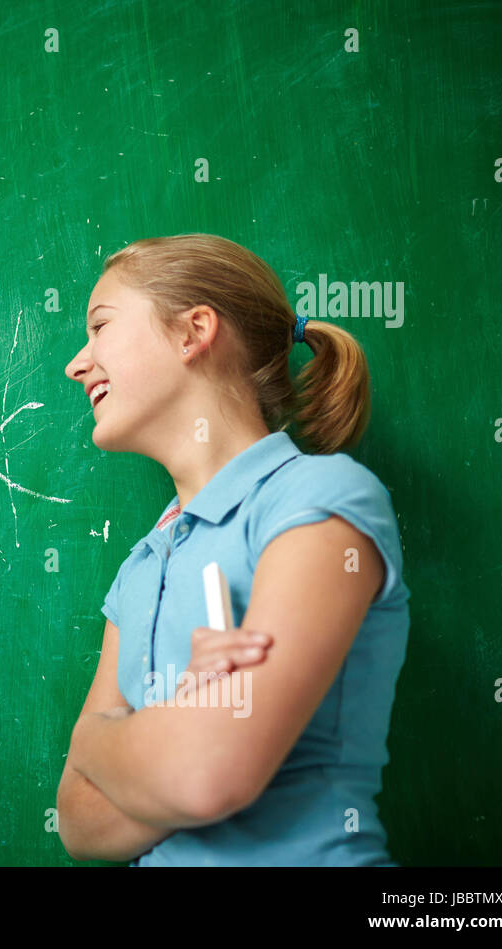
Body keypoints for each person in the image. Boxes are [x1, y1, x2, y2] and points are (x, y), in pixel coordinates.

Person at [56, 235, 410, 865]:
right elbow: (80, 825)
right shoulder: (140, 566)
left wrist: (97, 738)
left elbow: (212, 779)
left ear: (194, 332)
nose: (76, 365)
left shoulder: (322, 497)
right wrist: (184, 724)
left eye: (100, 327)